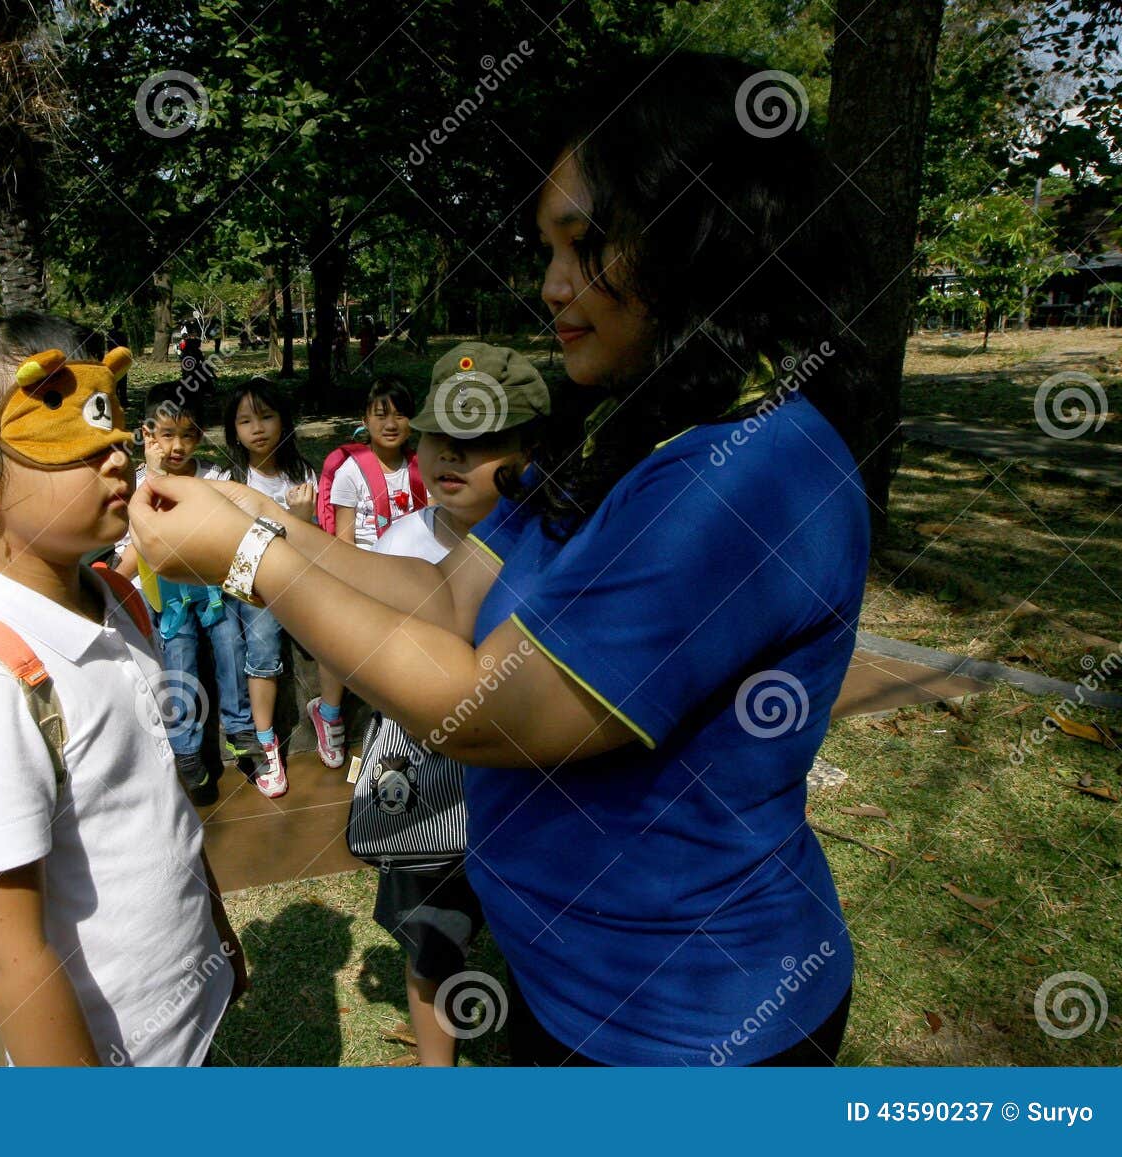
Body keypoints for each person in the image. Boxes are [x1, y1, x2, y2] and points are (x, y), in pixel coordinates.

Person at [126, 51, 868, 1066]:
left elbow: (490, 709)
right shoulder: (635, 431)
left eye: (588, 242)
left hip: (691, 1032)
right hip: (568, 987)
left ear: (700, 233)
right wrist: (256, 514)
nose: (553, 283)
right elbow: (442, 595)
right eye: (546, 246)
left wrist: (251, 558)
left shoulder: (750, 474)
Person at [0, 313, 243, 1065]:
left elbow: (155, 810)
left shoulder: (117, 596)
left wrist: (213, 932)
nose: (115, 457)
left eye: (110, 424)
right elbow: (10, 957)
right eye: (65, 434)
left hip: (185, 1023)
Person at [371, 342, 548, 1066]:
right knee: (433, 938)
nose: (449, 456)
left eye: (478, 443)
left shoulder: (554, 549)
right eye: (439, 437)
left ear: (532, 449)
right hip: (429, 787)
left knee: (534, 938)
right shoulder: (394, 542)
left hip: (526, 784)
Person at [114, 381, 259, 804]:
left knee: (231, 643)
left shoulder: (213, 478)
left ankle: (239, 727)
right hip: (167, 599)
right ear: (147, 435)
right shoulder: (138, 484)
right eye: (167, 435)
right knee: (179, 661)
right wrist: (155, 472)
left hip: (211, 592)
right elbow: (139, 535)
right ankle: (187, 751)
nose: (178, 445)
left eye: (189, 434)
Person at [205, 378, 317, 794]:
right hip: (245, 580)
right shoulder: (227, 478)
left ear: (283, 420)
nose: (258, 428)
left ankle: (330, 717)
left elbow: (313, 545)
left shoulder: (301, 475)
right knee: (263, 643)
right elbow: (226, 543)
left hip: (292, 577)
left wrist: (302, 520)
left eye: (267, 416)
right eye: (245, 420)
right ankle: (268, 745)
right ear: (233, 429)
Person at [310, 376, 427, 770]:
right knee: (337, 634)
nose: (390, 423)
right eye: (381, 415)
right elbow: (343, 538)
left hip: (411, 573)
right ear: (365, 420)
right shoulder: (350, 473)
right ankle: (328, 713)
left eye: (400, 414)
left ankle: (412, 717)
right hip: (360, 570)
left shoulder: (421, 467)